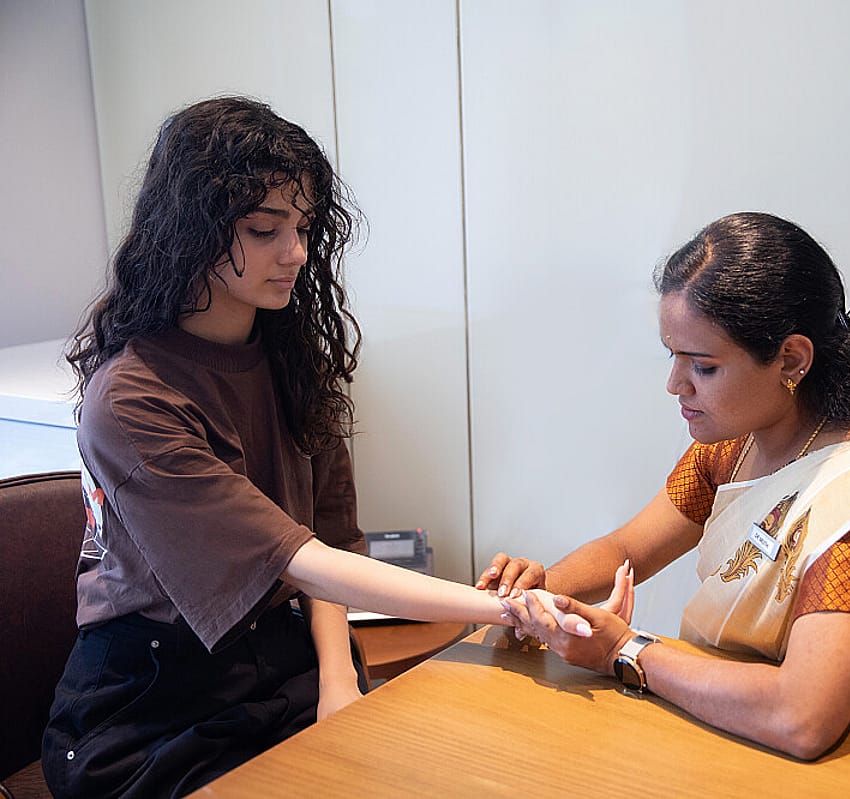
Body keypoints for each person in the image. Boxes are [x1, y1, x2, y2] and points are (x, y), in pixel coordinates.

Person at [41, 96, 518, 798]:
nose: (295, 252)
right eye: (265, 228)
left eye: (302, 226)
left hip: (282, 663)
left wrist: (335, 681)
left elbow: (322, 546)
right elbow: (291, 557)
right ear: (192, 231)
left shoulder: (292, 359)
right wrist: (503, 608)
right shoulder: (130, 400)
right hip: (150, 707)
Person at [481, 211, 850, 760]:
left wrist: (624, 651)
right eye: (674, 356)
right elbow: (628, 550)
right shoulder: (735, 440)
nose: (675, 385)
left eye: (703, 367)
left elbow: (802, 718)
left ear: (791, 359)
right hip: (761, 733)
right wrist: (536, 593)